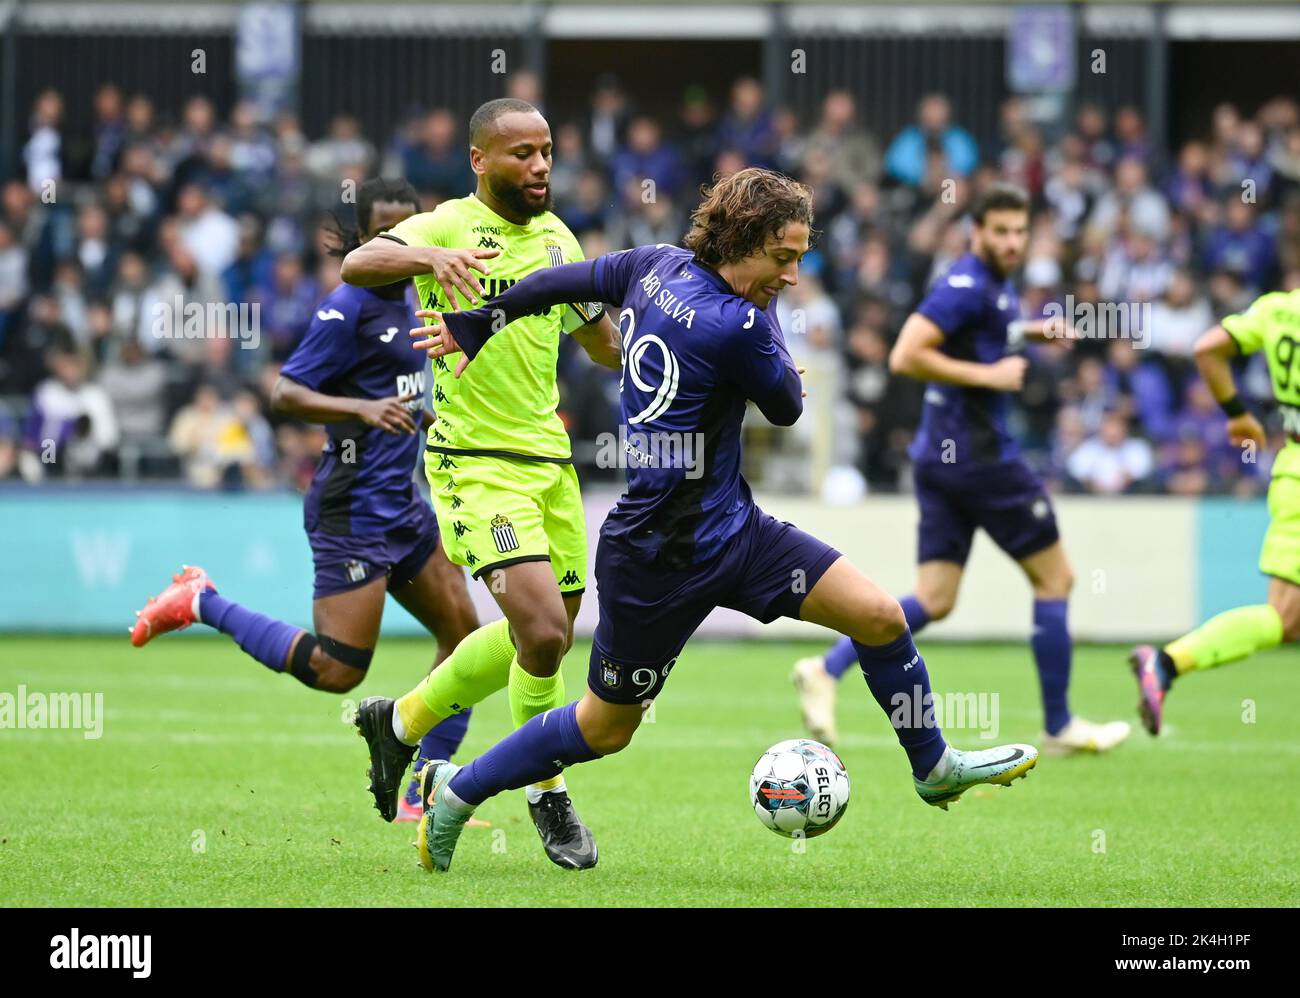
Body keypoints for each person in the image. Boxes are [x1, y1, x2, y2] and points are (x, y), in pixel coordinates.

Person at [389, 167, 1039, 873]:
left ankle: (933, 765)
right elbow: (788, 406)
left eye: (800, 257)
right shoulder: (740, 325)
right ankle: (460, 790)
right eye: (784, 257)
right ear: (745, 240)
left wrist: (483, 319)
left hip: (735, 531)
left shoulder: (651, 266)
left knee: (881, 617)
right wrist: (765, 326)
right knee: (604, 729)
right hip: (657, 559)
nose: (792, 275)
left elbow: (564, 281)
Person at [130, 178, 482, 822]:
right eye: (384, 234)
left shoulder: (415, 300)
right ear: (359, 239)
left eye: (409, 232)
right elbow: (286, 393)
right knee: (338, 670)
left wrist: (424, 414)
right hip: (350, 511)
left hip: (403, 507)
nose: (398, 244)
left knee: (465, 640)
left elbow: (401, 387)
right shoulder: (343, 308)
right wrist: (362, 409)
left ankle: (422, 792)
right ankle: (202, 601)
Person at [341, 99, 621, 869]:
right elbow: (357, 263)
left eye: (547, 153)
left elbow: (603, 351)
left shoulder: (560, 238)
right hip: (475, 460)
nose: (538, 168)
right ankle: (547, 792)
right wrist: (429, 262)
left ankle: (397, 724)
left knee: (546, 639)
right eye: (521, 154)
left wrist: (602, 312)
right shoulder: (446, 225)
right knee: (542, 633)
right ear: (479, 160)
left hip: (550, 465)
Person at [793, 184, 1131, 756]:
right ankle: (1059, 725)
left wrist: (1027, 333)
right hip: (982, 459)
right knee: (1056, 579)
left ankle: (825, 669)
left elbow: (976, 334)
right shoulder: (967, 285)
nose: (1011, 242)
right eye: (999, 231)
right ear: (976, 232)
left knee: (936, 595)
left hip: (940, 456)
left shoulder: (989, 287)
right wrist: (990, 377)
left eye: (1020, 232)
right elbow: (906, 354)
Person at [1130, 289, 1300, 732]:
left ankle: (1167, 663)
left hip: (1292, 468)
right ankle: (1166, 663)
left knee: (1284, 617)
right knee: (1284, 617)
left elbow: (1207, 348)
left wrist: (1237, 414)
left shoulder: (1278, 308)